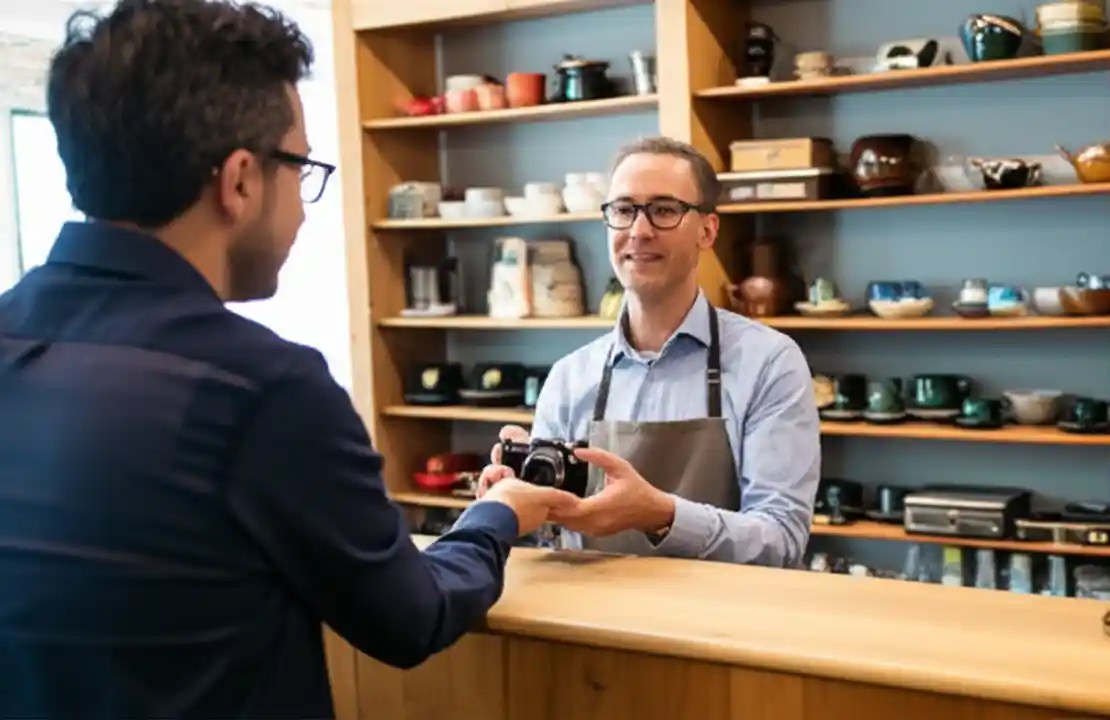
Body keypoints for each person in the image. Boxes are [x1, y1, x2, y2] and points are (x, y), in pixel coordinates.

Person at [0, 2, 575, 718]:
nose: (304, 208)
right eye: (301, 167)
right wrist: (497, 515)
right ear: (240, 180)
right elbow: (410, 616)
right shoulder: (260, 387)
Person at [479, 137, 821, 569]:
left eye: (664, 210)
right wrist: (510, 501)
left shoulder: (769, 363)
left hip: (721, 625)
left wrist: (661, 514)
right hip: (589, 624)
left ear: (707, 230)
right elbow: (550, 536)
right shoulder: (570, 376)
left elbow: (782, 540)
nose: (639, 231)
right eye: (624, 210)